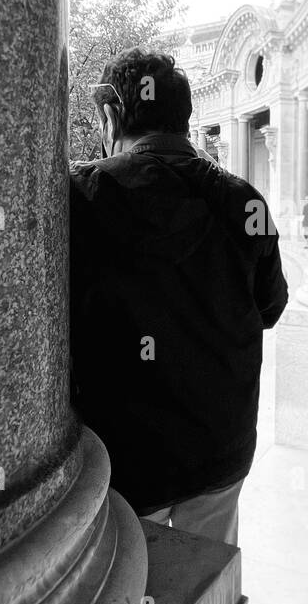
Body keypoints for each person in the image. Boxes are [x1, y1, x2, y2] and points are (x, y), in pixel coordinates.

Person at [69, 48, 288, 546]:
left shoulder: (82, 198)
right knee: (211, 589)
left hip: (129, 459)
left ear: (110, 114)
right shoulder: (244, 201)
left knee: (132, 598)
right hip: (221, 450)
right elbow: (270, 308)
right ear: (185, 118)